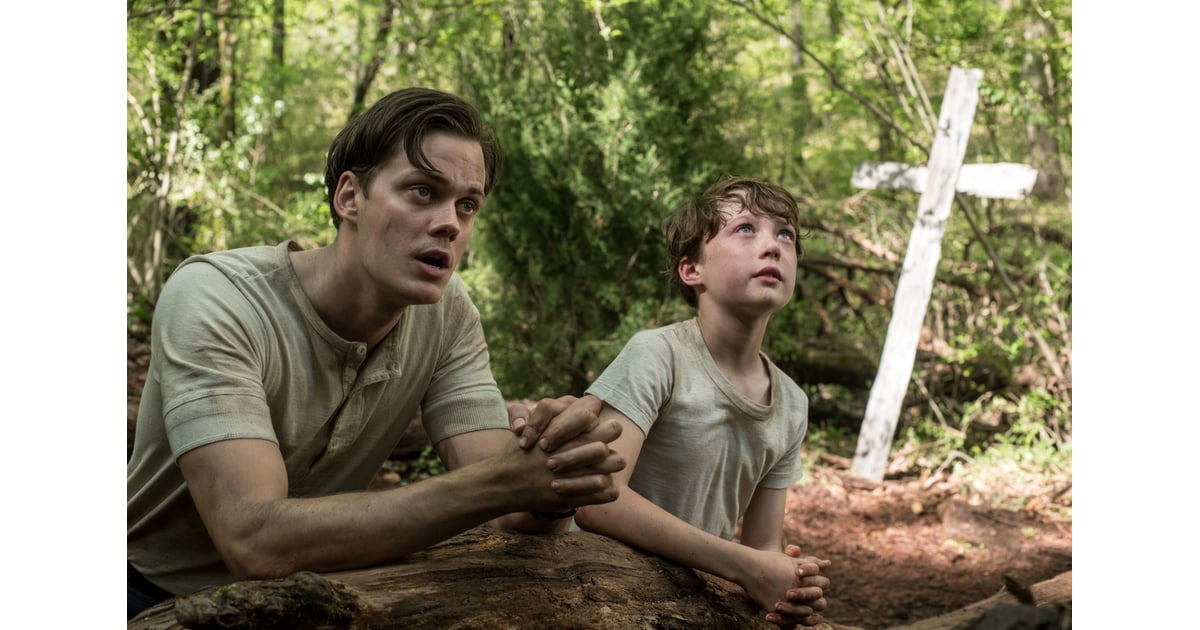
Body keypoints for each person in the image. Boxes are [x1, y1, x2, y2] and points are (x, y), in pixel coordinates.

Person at [126, 87, 626, 620]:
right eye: (420, 191)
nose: (450, 223)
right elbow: (254, 539)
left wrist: (555, 469)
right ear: (349, 197)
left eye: (467, 204)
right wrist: (503, 481)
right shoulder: (217, 297)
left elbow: (506, 500)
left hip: (316, 598)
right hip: (143, 592)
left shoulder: (449, 313)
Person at [572, 175, 832, 627]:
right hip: (590, 590)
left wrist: (785, 580)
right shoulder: (658, 355)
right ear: (692, 270)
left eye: (784, 234)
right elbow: (597, 501)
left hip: (688, 604)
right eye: (746, 229)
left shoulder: (791, 402)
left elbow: (762, 543)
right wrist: (743, 566)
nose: (772, 246)